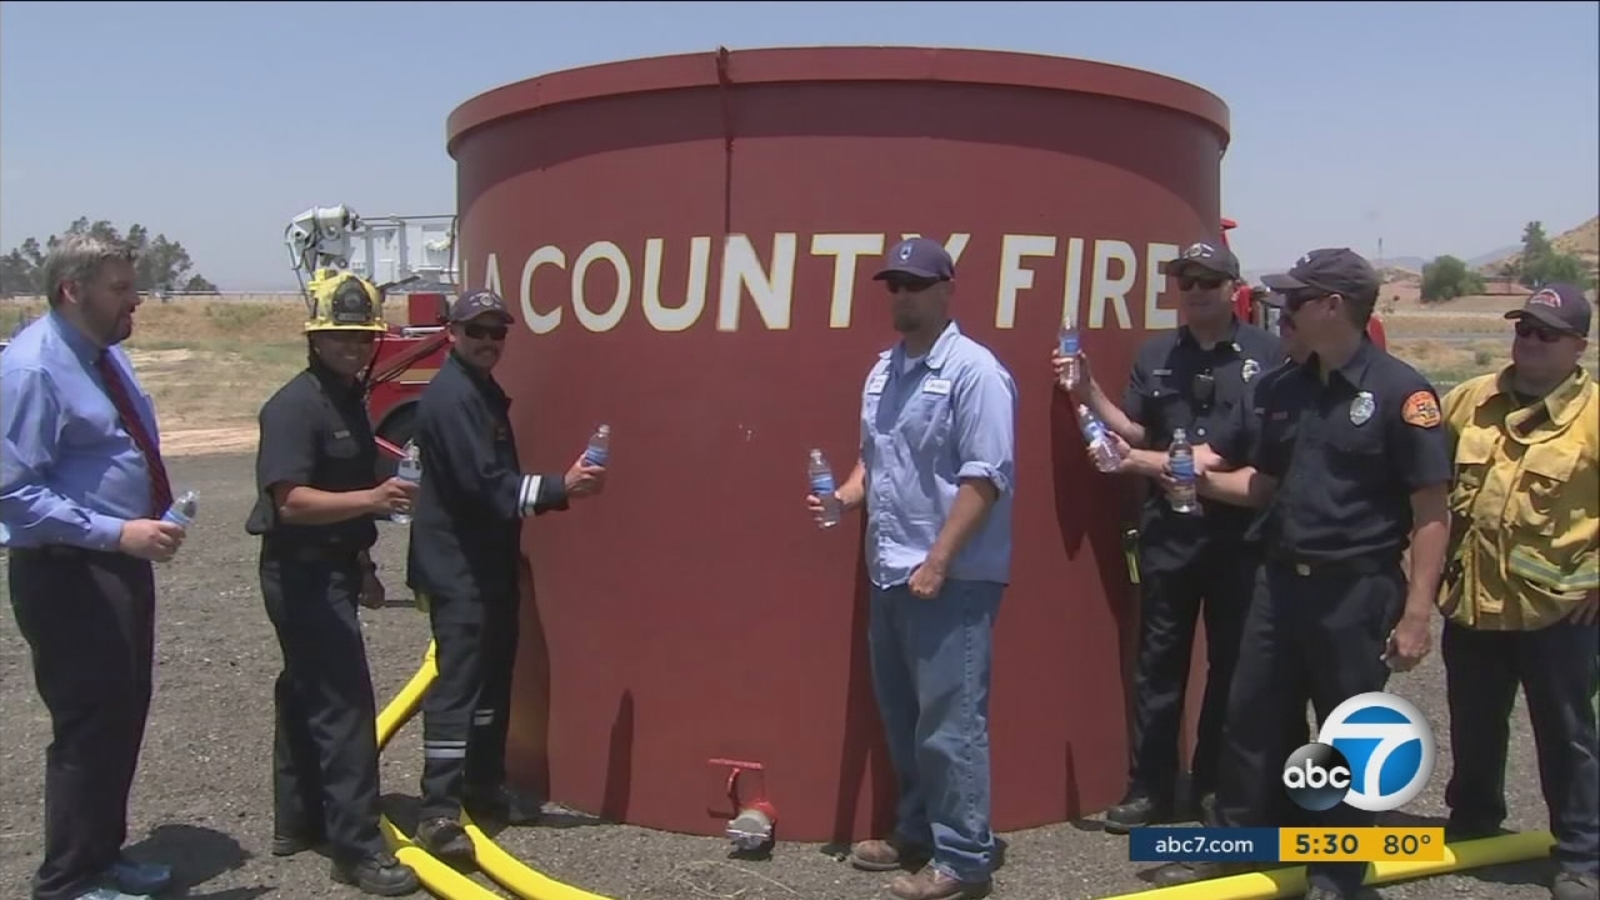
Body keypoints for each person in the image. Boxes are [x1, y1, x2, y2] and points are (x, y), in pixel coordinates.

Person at [1151, 248, 1452, 900]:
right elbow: (1258, 479)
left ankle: (1338, 875)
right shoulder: (1281, 387)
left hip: (1356, 590)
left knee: (1345, 740)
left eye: (1299, 297)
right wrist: (1170, 469)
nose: (1284, 307)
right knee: (1249, 722)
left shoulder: (1404, 393)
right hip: (1278, 583)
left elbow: (1432, 510)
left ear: (1334, 307)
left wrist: (1418, 613)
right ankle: (1234, 855)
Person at [806, 237, 1017, 900]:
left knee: (952, 724)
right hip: (890, 573)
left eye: (915, 284)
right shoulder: (884, 372)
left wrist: (939, 560)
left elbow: (987, 477)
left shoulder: (975, 372)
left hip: (949, 580)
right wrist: (844, 497)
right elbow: (879, 459)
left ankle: (964, 860)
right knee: (905, 720)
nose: (902, 295)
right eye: (894, 284)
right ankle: (918, 831)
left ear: (946, 288)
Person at [1051, 240, 1282, 831]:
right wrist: (1086, 389)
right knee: (1159, 665)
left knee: (1232, 669)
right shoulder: (1156, 353)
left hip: (1241, 536)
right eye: (1186, 280)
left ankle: (1211, 788)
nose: (1196, 290)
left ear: (1233, 288)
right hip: (1169, 535)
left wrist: (1162, 464)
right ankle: (1149, 789)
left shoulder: (1271, 357)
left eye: (1208, 279)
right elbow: (1135, 427)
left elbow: (1255, 456)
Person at [0, 234, 184, 900]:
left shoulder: (103, 358)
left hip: (114, 564)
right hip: (67, 571)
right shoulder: (34, 368)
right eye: (119, 286)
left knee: (120, 711)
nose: (135, 297)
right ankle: (68, 880)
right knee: (87, 722)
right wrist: (116, 531)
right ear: (72, 291)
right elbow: (13, 491)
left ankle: (103, 855)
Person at [407, 289, 607, 863]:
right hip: (458, 570)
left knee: (493, 684)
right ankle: (438, 812)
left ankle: (482, 787)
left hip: (487, 565)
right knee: (459, 687)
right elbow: (485, 488)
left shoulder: (481, 392)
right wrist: (559, 487)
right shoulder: (451, 398)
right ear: (452, 334)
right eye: (477, 331)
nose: (489, 342)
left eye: (498, 333)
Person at [245, 271, 422, 896]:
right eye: (340, 336)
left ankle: (298, 822)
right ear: (315, 338)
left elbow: (342, 493)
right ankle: (356, 848)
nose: (353, 346)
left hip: (331, 566)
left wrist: (364, 566)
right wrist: (375, 497)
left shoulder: (347, 394)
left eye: (362, 336)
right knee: (345, 709)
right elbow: (290, 502)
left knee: (303, 693)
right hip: (299, 572)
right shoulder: (294, 407)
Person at [1435, 283, 1598, 900]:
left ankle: (1581, 854)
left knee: (1567, 734)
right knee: (1474, 723)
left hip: (1559, 612)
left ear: (1577, 346)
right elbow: (1426, 480)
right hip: (1473, 600)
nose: (1529, 342)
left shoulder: (1595, 417)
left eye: (1546, 334)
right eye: (1523, 328)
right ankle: (1476, 824)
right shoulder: (1470, 401)